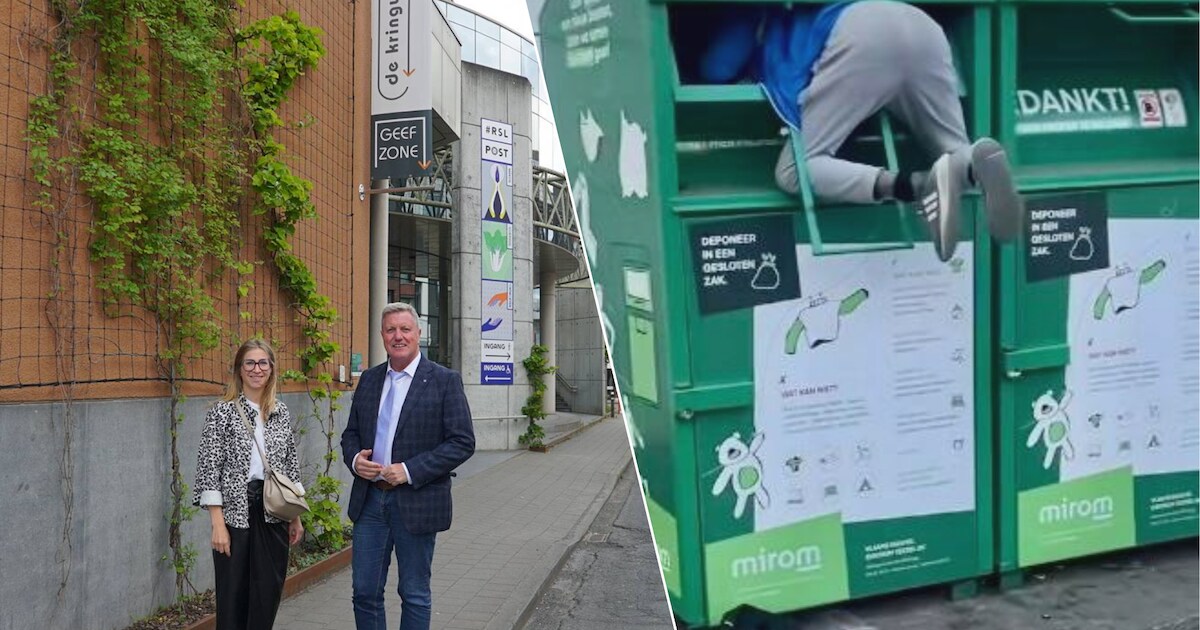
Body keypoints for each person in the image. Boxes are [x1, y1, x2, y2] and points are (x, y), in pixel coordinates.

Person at [697, 0, 1022, 261]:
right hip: (921, 23)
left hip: (858, 36)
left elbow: (716, 68)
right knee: (951, 149)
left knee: (796, 171)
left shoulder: (758, 11)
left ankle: (916, 185)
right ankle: (972, 164)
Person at [341, 302, 476, 630]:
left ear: (419, 334)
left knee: (414, 593)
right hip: (371, 501)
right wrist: (357, 459)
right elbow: (351, 435)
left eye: (405, 329)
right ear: (383, 336)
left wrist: (410, 470)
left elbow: (462, 441)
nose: (397, 336)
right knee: (364, 593)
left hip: (416, 501)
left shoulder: (444, 381)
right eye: (390, 330)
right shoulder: (371, 380)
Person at [193, 339, 304, 630]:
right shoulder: (222, 412)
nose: (257, 369)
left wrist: (295, 516)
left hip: (274, 514)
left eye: (263, 363)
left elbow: (289, 467)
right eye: (250, 363)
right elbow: (208, 469)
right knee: (233, 596)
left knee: (267, 594)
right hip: (235, 514)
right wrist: (218, 523)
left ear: (271, 369)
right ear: (239, 370)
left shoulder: (281, 412)